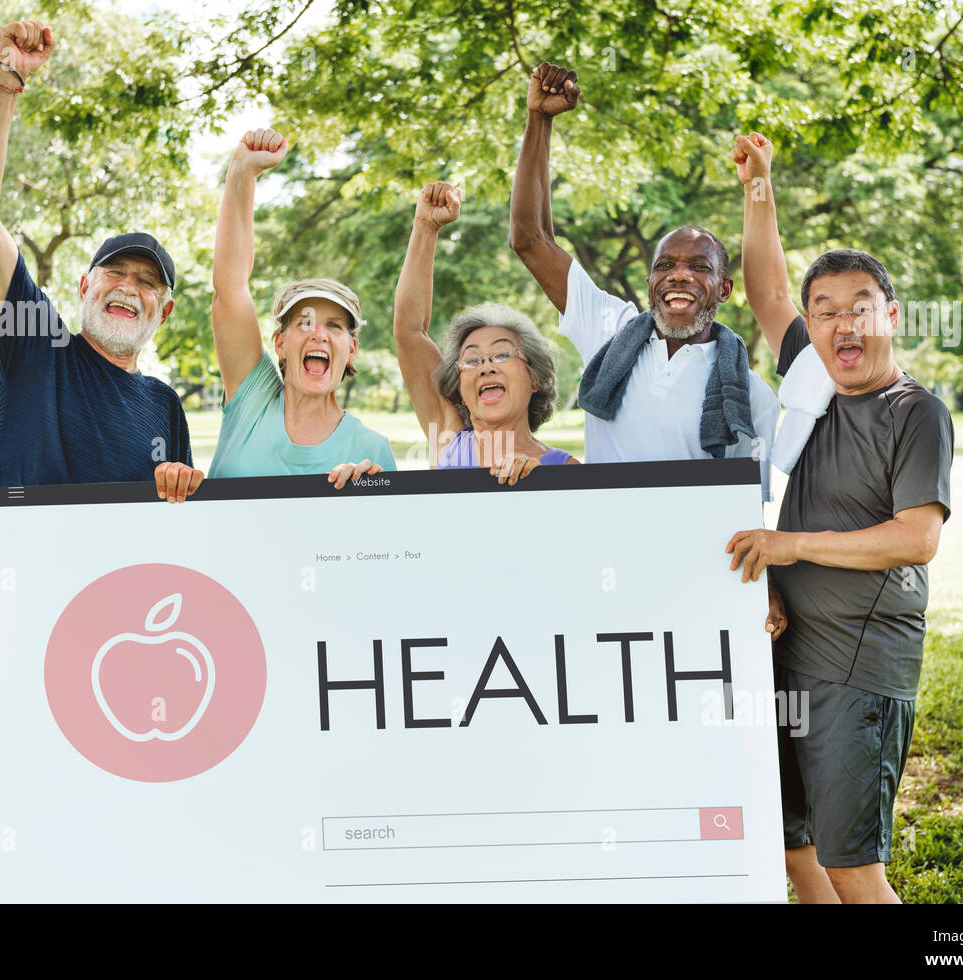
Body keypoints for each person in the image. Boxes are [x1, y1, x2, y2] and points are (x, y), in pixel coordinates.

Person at [0, 20, 201, 903]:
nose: (127, 287)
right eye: (114, 274)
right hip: (21, 613)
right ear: (85, 287)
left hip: (122, 632)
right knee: (0, 805)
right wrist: (6, 86)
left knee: (99, 805)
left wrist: (180, 495)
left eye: (147, 282)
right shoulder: (37, 343)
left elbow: (180, 525)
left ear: (162, 312)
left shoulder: (165, 403)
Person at [729, 131, 954, 904]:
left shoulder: (915, 412)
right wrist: (759, 186)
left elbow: (916, 537)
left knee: (854, 868)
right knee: (799, 852)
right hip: (786, 655)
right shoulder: (813, 381)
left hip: (860, 671)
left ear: (890, 315)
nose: (839, 327)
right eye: (824, 313)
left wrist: (789, 544)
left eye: (859, 309)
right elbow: (766, 292)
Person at [509, 60, 785, 636]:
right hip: (599, 562)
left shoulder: (751, 394)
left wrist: (769, 592)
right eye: (666, 266)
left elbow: (745, 515)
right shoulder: (612, 329)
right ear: (651, 279)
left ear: (725, 289)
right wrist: (539, 120)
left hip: (690, 579)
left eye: (697, 267)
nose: (678, 276)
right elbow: (530, 240)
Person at [206, 128, 395, 490]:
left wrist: (367, 493)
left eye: (336, 326)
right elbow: (230, 289)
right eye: (304, 322)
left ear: (351, 348)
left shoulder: (370, 450)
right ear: (279, 343)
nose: (319, 334)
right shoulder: (253, 396)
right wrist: (242, 173)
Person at [393, 181, 577, 483]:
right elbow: (409, 330)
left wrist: (539, 482)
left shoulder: (563, 467)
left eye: (502, 354)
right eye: (472, 360)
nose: (486, 367)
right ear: (461, 392)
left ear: (534, 378)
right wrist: (425, 227)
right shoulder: (447, 436)